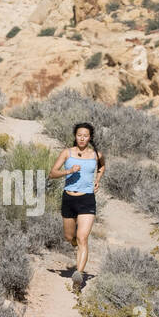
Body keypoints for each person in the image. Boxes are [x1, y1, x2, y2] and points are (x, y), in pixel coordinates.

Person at [50, 122, 105, 292]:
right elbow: (52, 173)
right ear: (75, 136)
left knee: (83, 238)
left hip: (87, 200)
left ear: (90, 138)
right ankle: (73, 241)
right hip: (69, 198)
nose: (82, 138)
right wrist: (69, 171)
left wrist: (98, 179)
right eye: (79, 135)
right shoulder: (67, 153)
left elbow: (102, 166)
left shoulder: (96, 154)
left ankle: (78, 276)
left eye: (85, 136)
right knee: (69, 237)